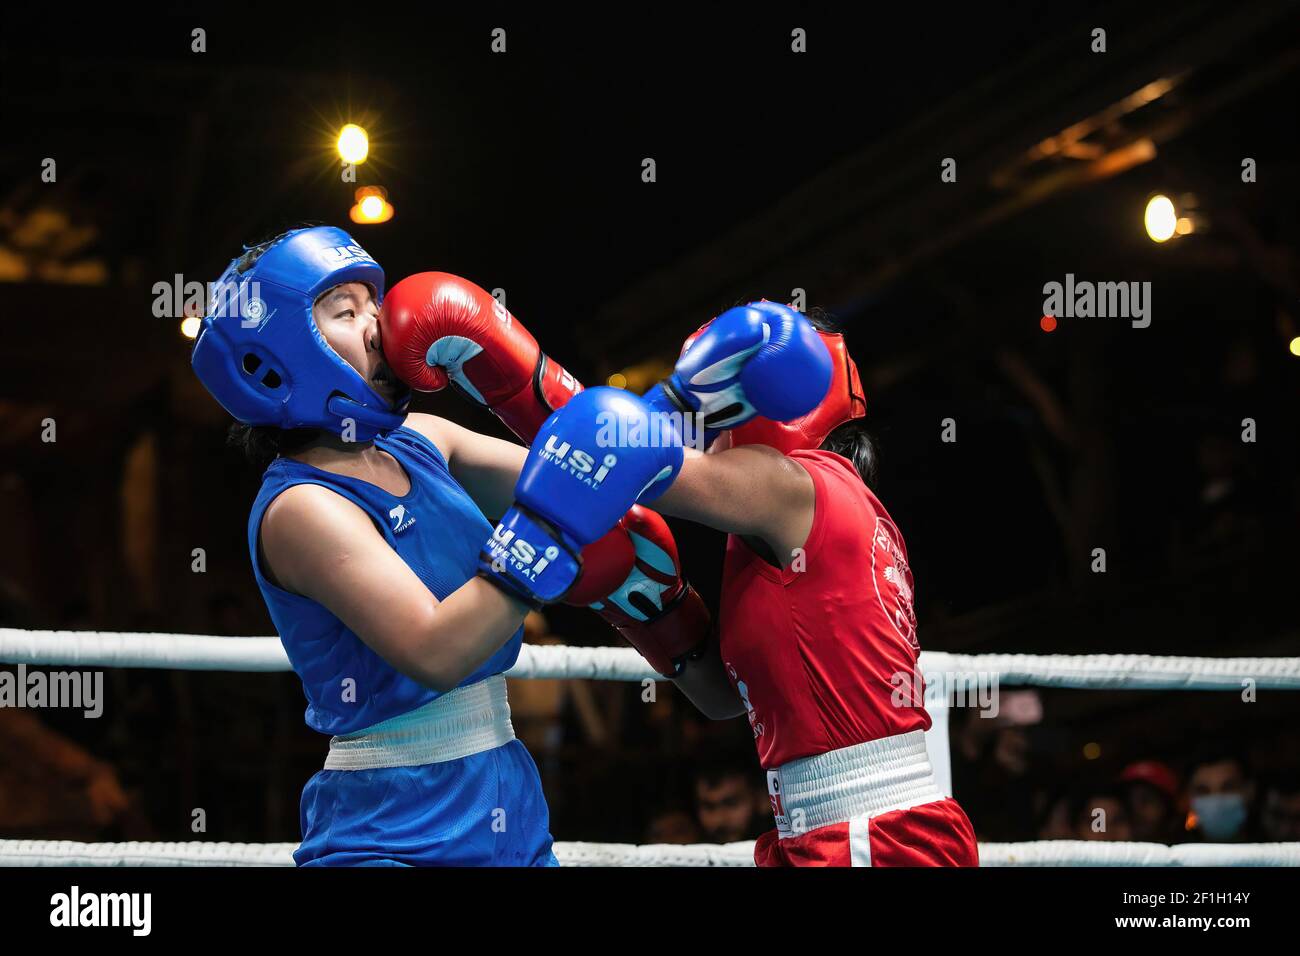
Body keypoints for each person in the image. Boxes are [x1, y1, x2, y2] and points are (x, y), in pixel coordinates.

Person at [395, 289, 977, 866]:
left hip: (872, 835)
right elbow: (725, 701)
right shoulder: (810, 521)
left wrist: (510, 363)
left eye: (730, 407)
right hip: (826, 829)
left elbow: (619, 452)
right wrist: (653, 607)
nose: (714, 433)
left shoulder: (797, 487)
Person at [191, 226, 575, 865]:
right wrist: (557, 524)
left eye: (376, 302)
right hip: (391, 824)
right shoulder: (301, 508)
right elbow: (436, 647)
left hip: (507, 787)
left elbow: (576, 471)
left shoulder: (426, 438)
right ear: (279, 354)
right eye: (346, 310)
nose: (384, 324)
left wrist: (514, 378)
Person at [1184, 749, 1257, 842]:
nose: (1216, 801)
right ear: (1188, 796)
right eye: (1203, 791)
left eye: (1228, 788)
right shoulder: (1171, 854)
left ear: (1250, 791)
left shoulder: (1277, 850)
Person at [1118, 760, 1181, 844]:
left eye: (1146, 800)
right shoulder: (1111, 851)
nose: (1135, 809)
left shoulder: (1185, 853)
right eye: (1127, 800)